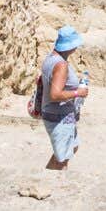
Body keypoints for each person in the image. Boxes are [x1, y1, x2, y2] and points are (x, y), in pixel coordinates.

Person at [40, 26, 89, 171]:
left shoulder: (50, 58)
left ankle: (47, 173)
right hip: (59, 116)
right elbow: (55, 95)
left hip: (57, 114)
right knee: (62, 161)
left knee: (71, 147)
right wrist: (77, 93)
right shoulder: (61, 65)